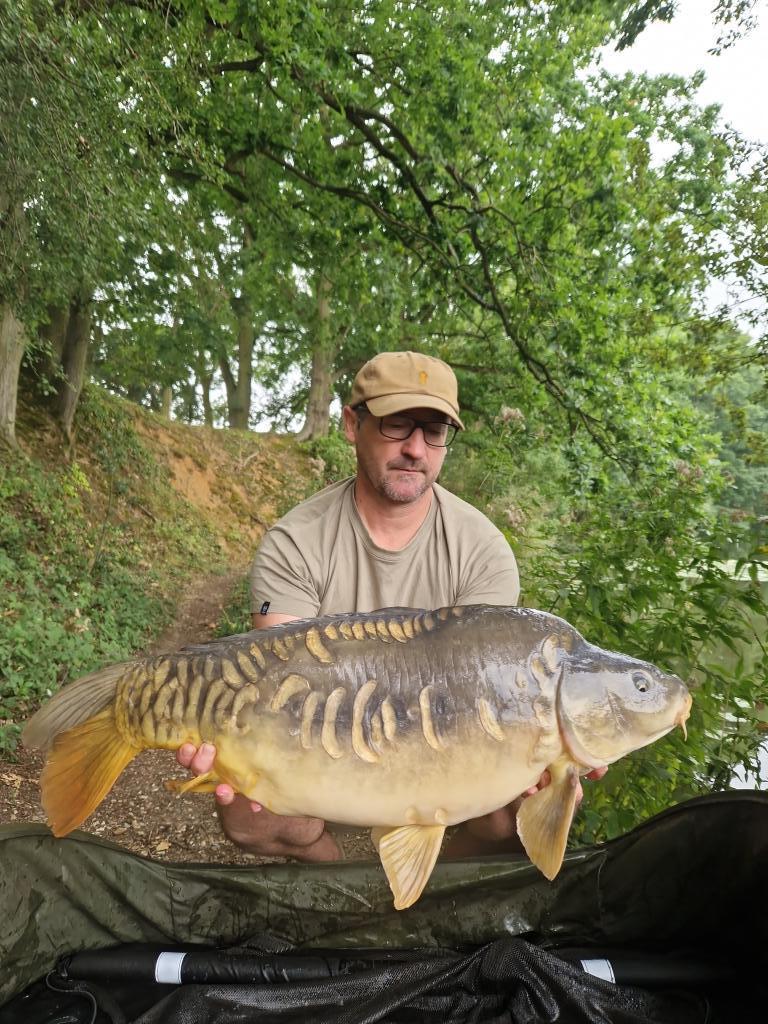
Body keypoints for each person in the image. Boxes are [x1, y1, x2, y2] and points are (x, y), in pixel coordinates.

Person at [177, 350, 603, 861]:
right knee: (250, 811)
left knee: (518, 798)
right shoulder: (296, 542)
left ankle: (433, 892)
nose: (415, 449)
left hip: (444, 756)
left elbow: (486, 698)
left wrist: (549, 754)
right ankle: (337, 882)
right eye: (397, 424)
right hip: (320, 754)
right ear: (352, 425)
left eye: (434, 431)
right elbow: (275, 683)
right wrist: (223, 738)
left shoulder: (483, 549)